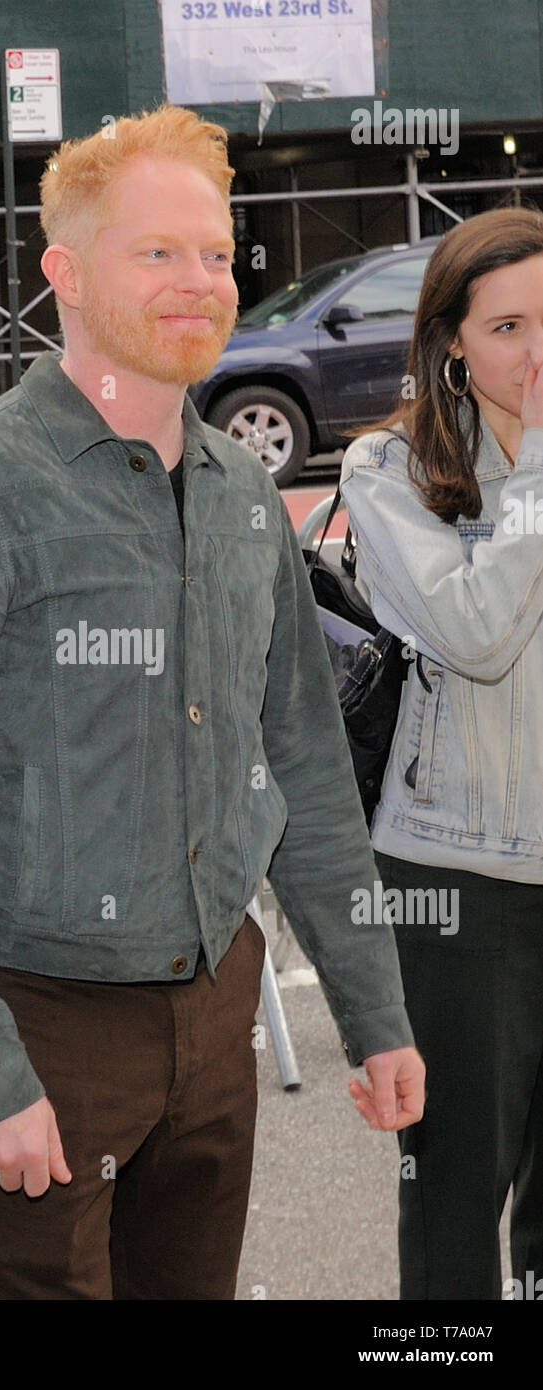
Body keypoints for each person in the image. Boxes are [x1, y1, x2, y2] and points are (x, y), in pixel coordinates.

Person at [0, 105, 424, 1301]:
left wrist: (373, 1011)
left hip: (218, 1009)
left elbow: (305, 773)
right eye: (155, 252)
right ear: (64, 270)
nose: (200, 281)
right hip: (45, 1023)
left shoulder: (237, 495)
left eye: (216, 254)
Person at [341, 206, 543, 1301]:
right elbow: (476, 634)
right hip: (461, 882)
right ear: (451, 342)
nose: (536, 353)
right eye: (509, 325)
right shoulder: (390, 469)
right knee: (458, 1190)